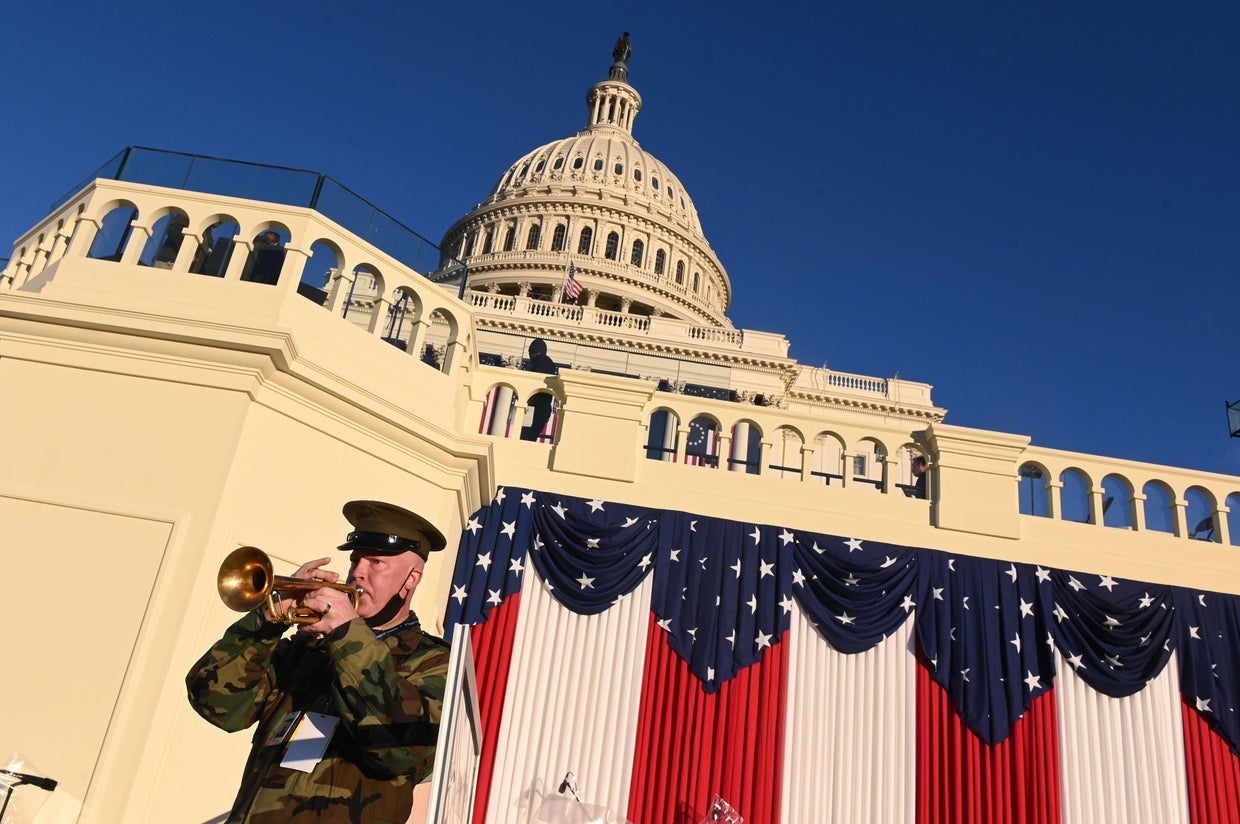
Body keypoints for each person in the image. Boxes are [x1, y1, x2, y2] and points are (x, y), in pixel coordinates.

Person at [186, 500, 451, 823]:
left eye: (376, 562)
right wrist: (266, 621)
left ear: (412, 579)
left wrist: (347, 635)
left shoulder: (434, 661)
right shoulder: (308, 649)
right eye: (355, 560)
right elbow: (217, 704)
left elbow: (400, 749)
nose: (358, 574)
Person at [520, 338, 558, 442]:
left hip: (535, 406)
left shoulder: (538, 362)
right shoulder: (550, 364)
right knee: (532, 436)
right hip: (544, 407)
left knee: (525, 436)